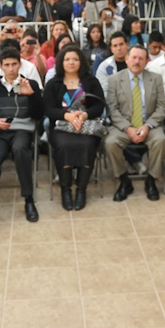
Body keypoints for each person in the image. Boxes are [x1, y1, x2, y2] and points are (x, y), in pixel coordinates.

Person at [0, 49, 43, 232]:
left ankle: (29, 200)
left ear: (20, 64)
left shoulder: (30, 84)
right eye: (6, 65)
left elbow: (38, 114)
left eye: (14, 64)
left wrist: (32, 95)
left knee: (20, 150)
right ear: (1, 67)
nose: (11, 68)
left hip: (22, 130)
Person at [43, 45, 106, 211]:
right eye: (67, 59)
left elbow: (99, 106)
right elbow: (48, 109)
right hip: (61, 127)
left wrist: (84, 115)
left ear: (81, 62)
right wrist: (68, 116)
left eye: (75, 59)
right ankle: (65, 189)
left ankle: (81, 189)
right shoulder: (53, 83)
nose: (71, 62)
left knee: (87, 145)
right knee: (64, 145)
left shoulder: (91, 81)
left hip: (87, 125)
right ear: (61, 62)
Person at [104, 44, 165, 202]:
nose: (137, 61)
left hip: (149, 124)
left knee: (161, 140)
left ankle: (151, 180)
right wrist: (128, 128)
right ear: (126, 59)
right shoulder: (114, 80)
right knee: (111, 142)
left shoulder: (156, 79)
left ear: (147, 61)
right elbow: (112, 109)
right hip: (123, 126)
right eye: (133, 57)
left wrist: (147, 126)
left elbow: (161, 108)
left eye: (141, 58)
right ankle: (124, 180)